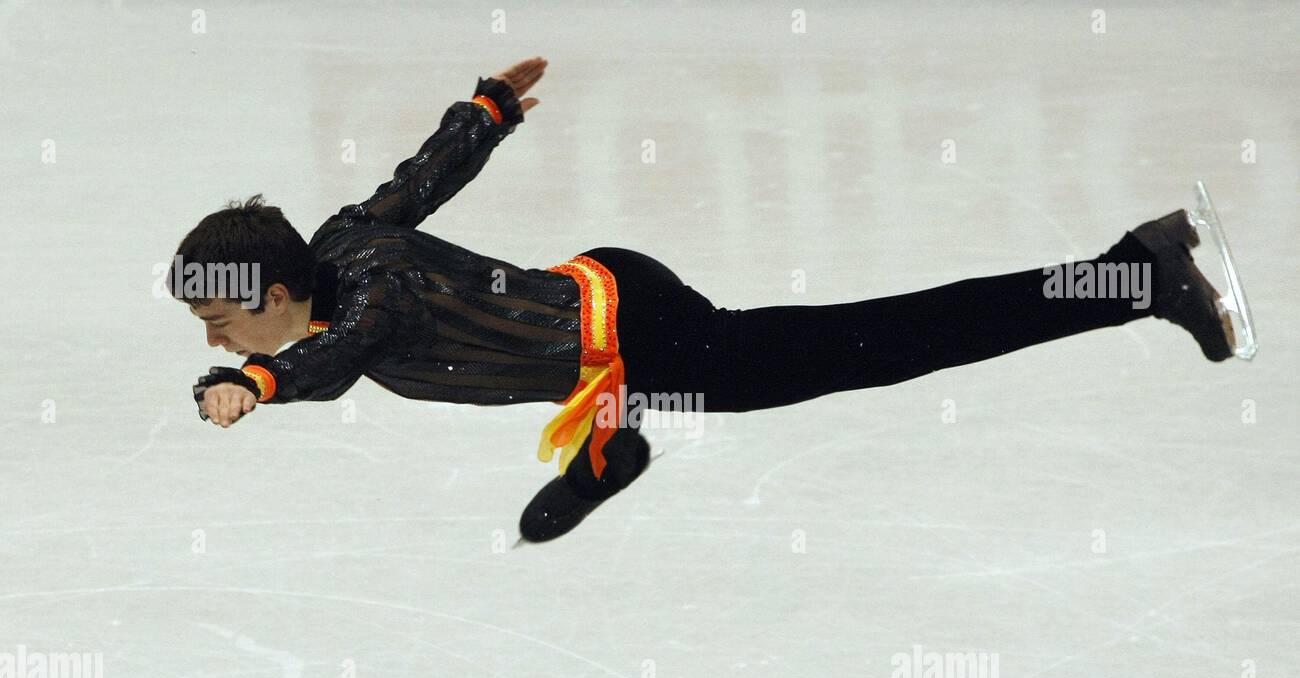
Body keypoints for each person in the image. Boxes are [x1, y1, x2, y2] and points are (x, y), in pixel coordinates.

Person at [173, 57, 1238, 543]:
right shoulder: (340, 247)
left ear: (268, 292)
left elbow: (338, 350)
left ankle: (1137, 270)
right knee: (687, 389)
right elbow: (414, 185)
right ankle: (614, 441)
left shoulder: (370, 304)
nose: (213, 336)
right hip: (599, 297)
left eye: (219, 317)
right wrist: (484, 113)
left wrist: (256, 380)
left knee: (889, 341)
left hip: (644, 339)